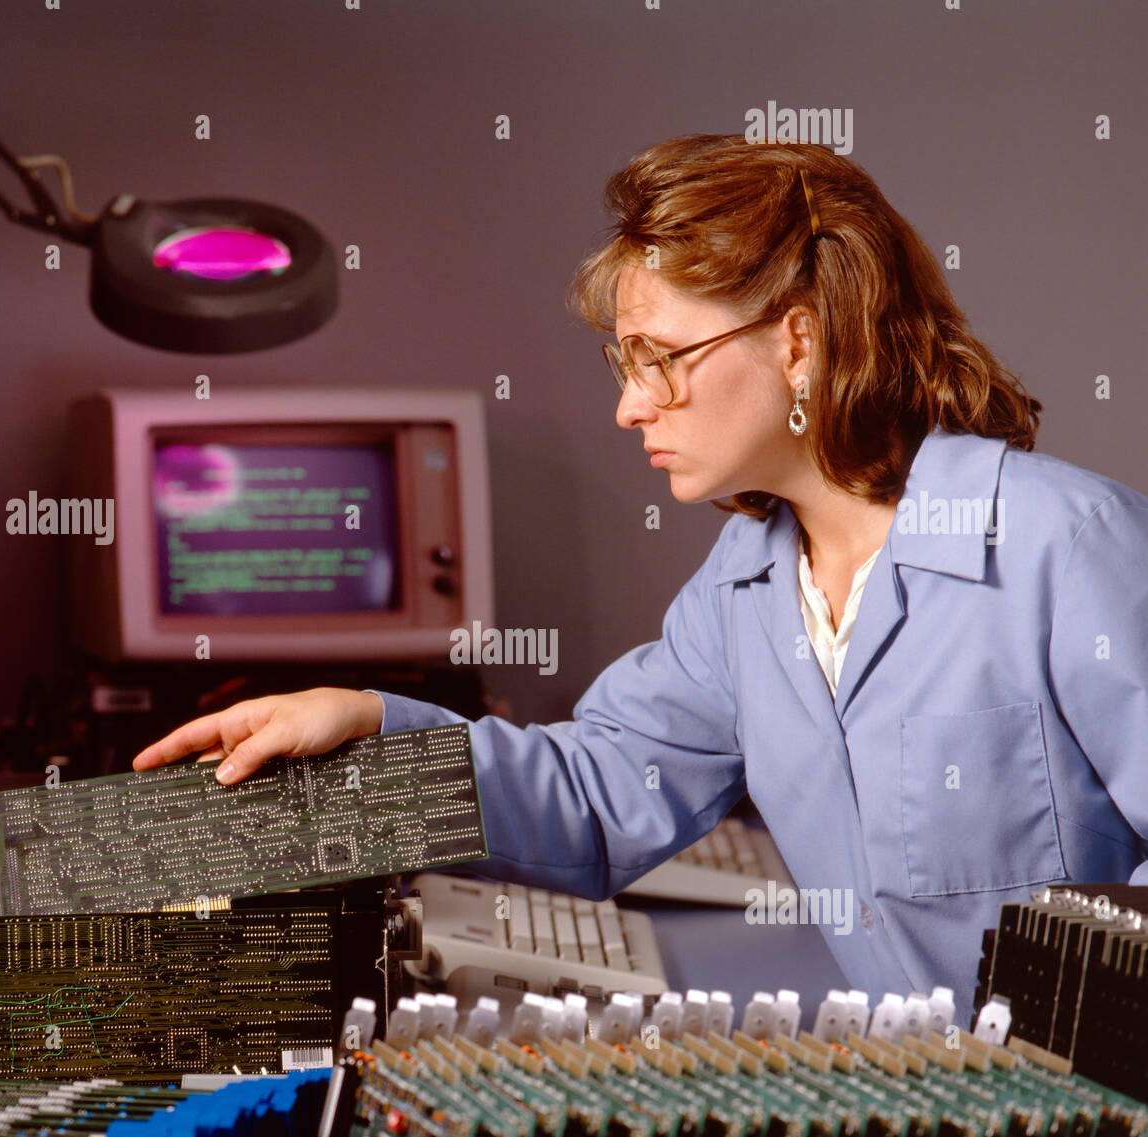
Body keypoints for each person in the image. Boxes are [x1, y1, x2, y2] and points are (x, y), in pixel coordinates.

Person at [133, 135, 1148, 1027]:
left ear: (798, 341)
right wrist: (368, 727)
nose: (630, 408)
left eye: (659, 359)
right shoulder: (745, 589)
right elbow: (601, 793)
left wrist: (1081, 1055)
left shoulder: (1062, 541)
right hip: (974, 1130)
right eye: (623, 363)